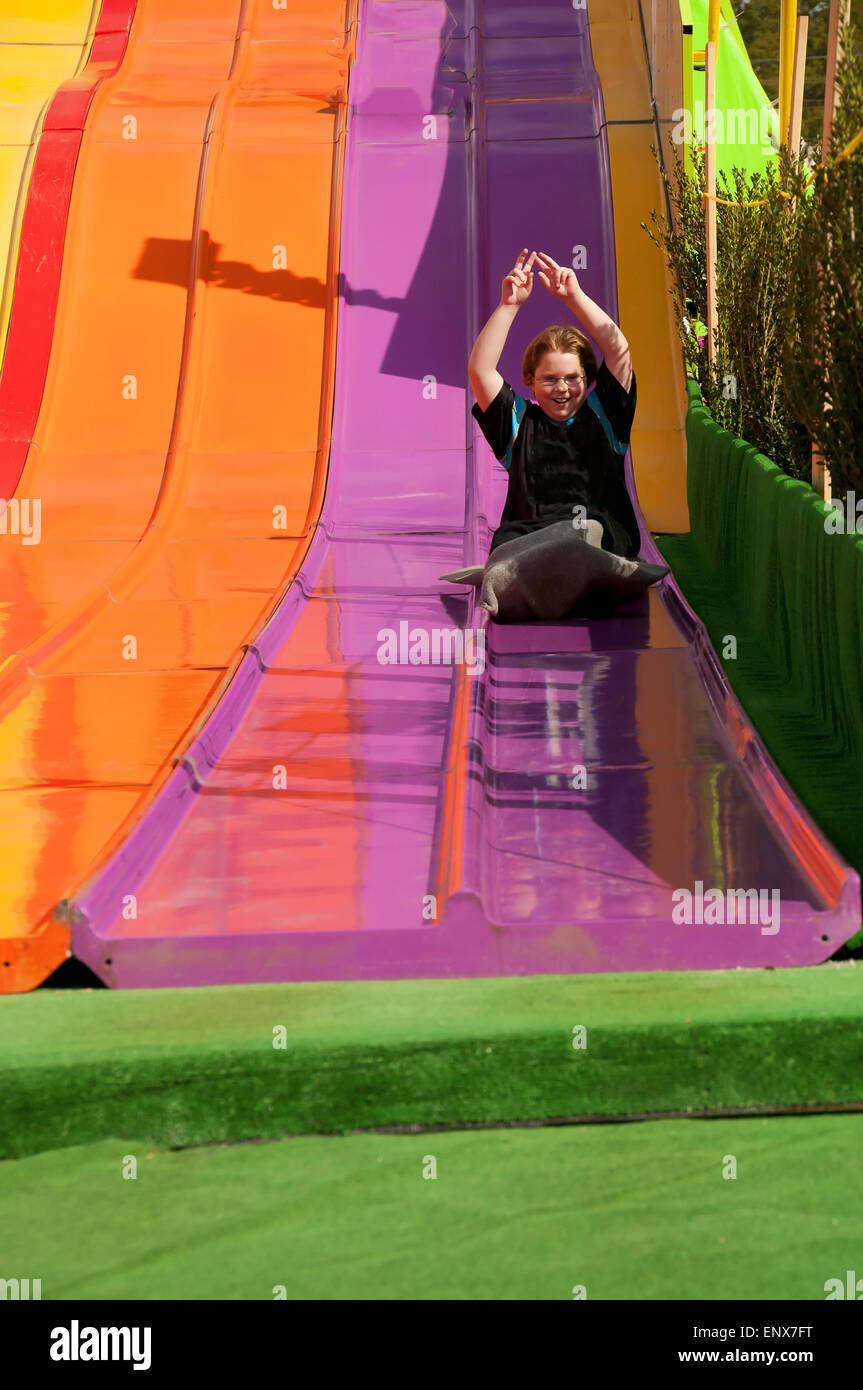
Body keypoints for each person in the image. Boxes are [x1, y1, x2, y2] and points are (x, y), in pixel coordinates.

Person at [468, 249, 642, 559]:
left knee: (590, 527)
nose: (562, 388)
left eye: (572, 378)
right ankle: (522, 566)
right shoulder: (519, 422)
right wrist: (509, 306)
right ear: (531, 380)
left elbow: (619, 351)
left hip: (597, 530)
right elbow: (480, 371)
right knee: (507, 537)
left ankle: (579, 559)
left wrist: (574, 297)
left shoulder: (605, 415)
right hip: (531, 532)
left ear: (587, 378)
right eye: (549, 379)